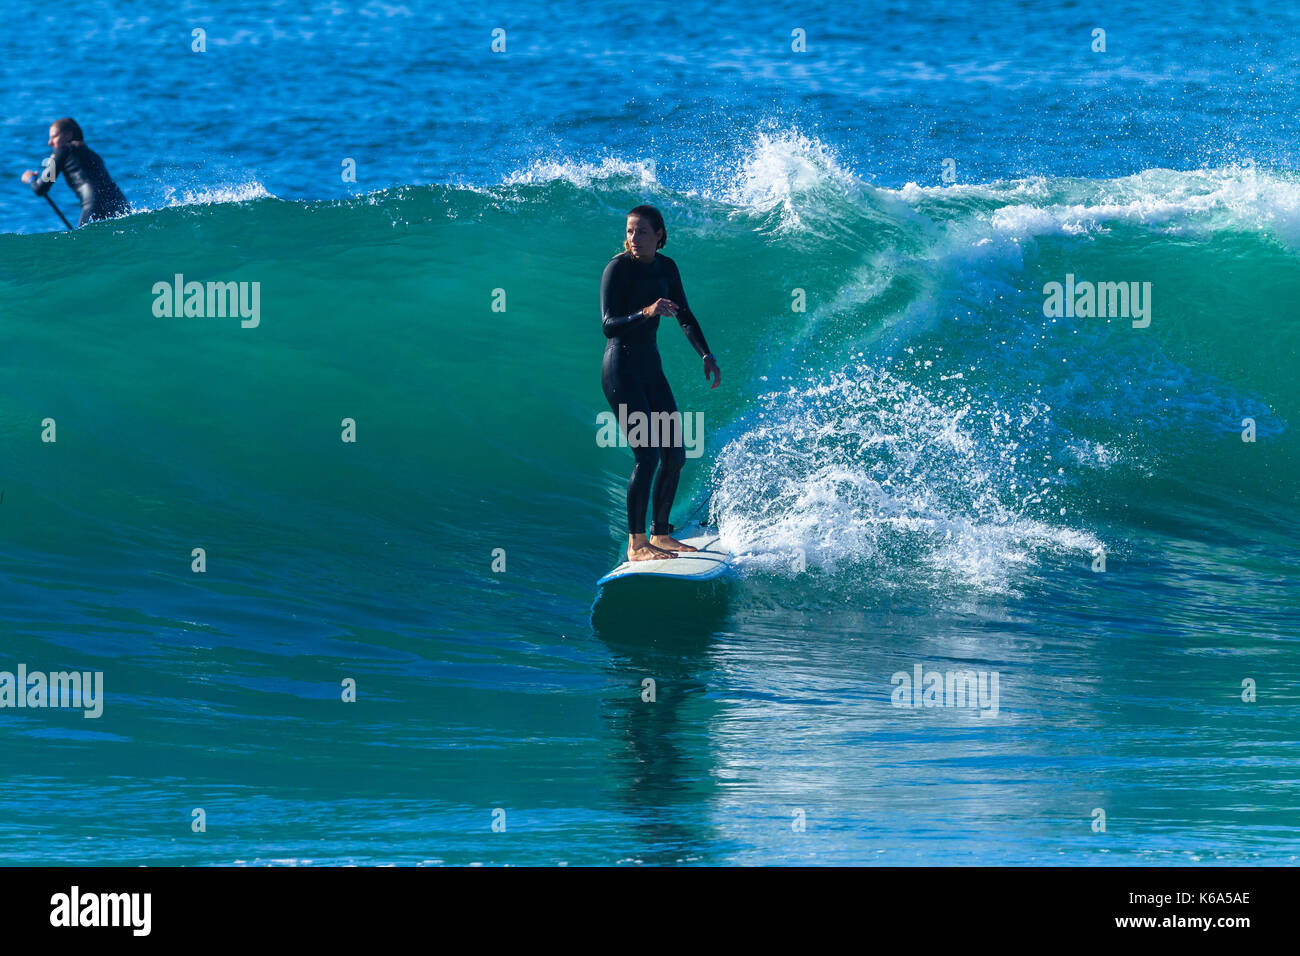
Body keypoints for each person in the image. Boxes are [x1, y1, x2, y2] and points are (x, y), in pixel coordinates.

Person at [601, 204, 722, 563]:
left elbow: (684, 315)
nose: (632, 238)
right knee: (647, 454)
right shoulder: (617, 269)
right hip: (620, 369)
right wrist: (647, 312)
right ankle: (636, 545)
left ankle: (660, 533)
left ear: (659, 236)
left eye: (640, 231)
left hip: (650, 369)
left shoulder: (667, 268)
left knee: (675, 454)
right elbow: (608, 324)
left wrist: (706, 355)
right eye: (628, 231)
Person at [21, 118, 129, 227]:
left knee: (82, 242)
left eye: (54, 137)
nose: (50, 143)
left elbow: (41, 188)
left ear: (68, 135)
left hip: (93, 203)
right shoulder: (92, 154)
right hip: (118, 201)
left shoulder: (63, 150)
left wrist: (31, 179)